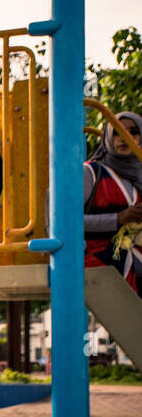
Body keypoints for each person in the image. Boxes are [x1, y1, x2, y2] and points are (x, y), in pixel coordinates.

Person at [84, 110, 142, 294]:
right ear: (108, 136)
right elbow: (66, 223)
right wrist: (118, 218)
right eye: (117, 131)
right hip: (100, 262)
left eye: (133, 131)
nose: (125, 137)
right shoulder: (91, 172)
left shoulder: (139, 175)